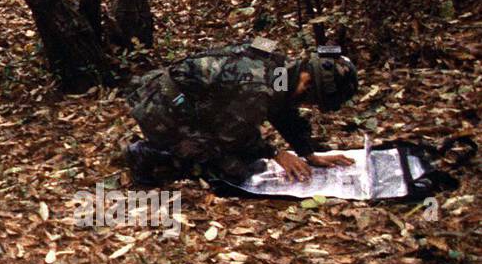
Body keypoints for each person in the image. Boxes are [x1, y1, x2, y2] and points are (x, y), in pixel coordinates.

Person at [124, 38, 360, 185]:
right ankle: (148, 153)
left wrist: (308, 154)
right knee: (232, 170)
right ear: (308, 80)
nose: (307, 103)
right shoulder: (258, 85)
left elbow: (283, 111)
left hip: (189, 102)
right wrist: (276, 152)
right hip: (161, 105)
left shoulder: (282, 66)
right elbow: (233, 135)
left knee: (247, 158)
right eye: (311, 98)